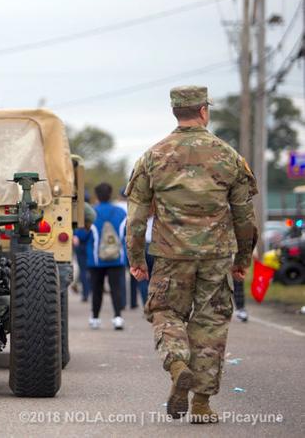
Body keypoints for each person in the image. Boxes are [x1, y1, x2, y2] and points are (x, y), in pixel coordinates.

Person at [126, 85, 258, 423]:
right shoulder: (228, 156)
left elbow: (137, 217)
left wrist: (137, 259)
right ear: (203, 111)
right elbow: (245, 217)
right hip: (216, 257)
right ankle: (201, 405)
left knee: (165, 314)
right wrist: (243, 260)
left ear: (175, 112)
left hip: (171, 257)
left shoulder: (153, 156)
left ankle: (178, 365)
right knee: (210, 325)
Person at [79, 182, 128, 330]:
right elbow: (127, 233)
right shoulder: (121, 213)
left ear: (97, 196)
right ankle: (118, 317)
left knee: (97, 289)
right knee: (116, 288)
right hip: (117, 258)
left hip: (96, 260)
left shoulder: (91, 213)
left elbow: (81, 236)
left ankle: (95, 318)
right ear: (111, 194)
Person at [72, 202, 96, 302]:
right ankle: (89, 291)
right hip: (89, 244)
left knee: (83, 270)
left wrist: (75, 235)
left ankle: (85, 294)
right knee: (89, 270)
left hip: (80, 244)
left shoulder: (75, 209)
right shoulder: (90, 212)